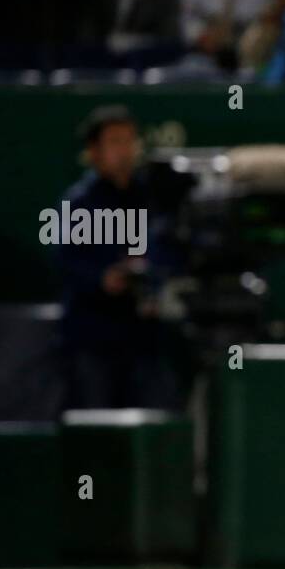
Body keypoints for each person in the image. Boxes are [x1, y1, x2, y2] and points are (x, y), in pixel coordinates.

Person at [56, 106, 184, 410]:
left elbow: (169, 250)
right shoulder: (79, 202)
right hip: (93, 339)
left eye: (129, 140)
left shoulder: (151, 197)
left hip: (145, 339)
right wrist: (102, 278)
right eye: (114, 142)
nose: (125, 150)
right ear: (93, 151)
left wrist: (152, 275)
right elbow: (64, 261)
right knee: (97, 428)